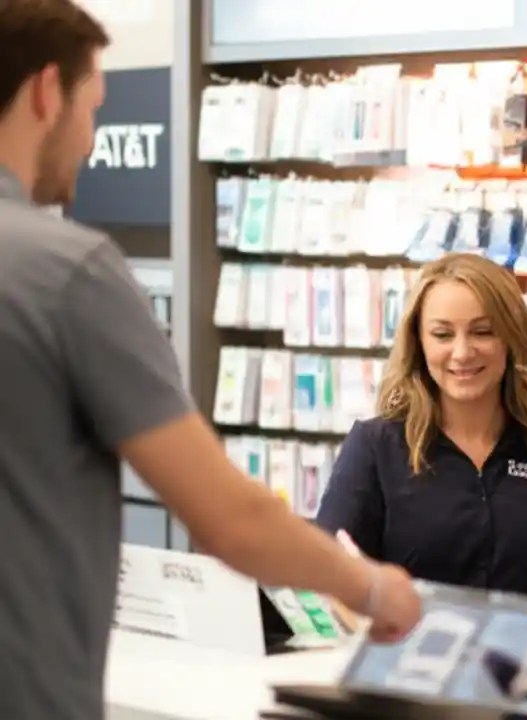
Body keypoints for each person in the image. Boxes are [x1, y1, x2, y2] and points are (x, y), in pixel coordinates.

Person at [0, 3, 422, 718]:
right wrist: (376, 590)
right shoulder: (64, 272)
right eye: (90, 107)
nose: (90, 139)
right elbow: (232, 520)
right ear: (46, 91)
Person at [316, 253, 527, 609]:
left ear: (510, 337)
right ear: (418, 342)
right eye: (442, 334)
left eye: (483, 332)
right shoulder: (376, 448)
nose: (462, 352)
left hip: (515, 664)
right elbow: (331, 585)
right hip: (409, 661)